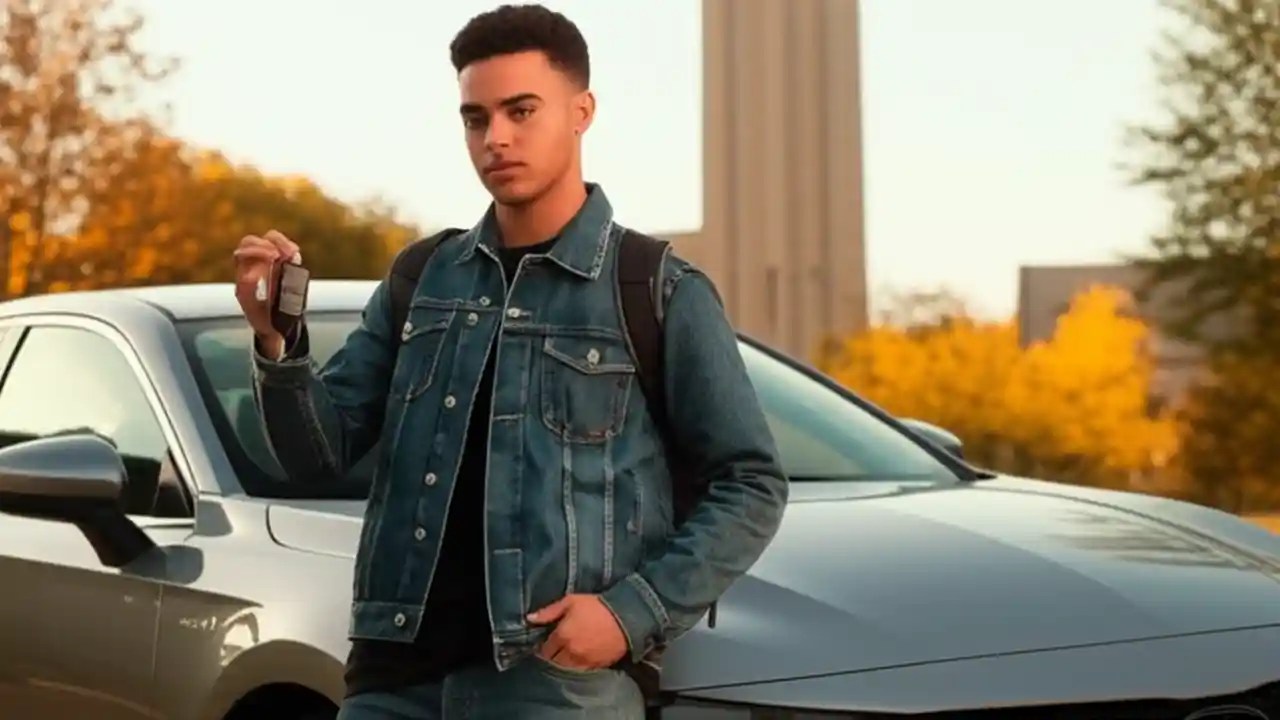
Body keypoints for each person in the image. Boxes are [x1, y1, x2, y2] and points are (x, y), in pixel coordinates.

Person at [232, 4, 787, 718]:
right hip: (390, 679)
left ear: (581, 110)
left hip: (551, 685)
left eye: (521, 110)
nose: (496, 137)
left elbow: (750, 482)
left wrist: (631, 614)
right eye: (475, 118)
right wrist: (276, 343)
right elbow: (315, 454)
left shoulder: (655, 288)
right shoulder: (422, 275)